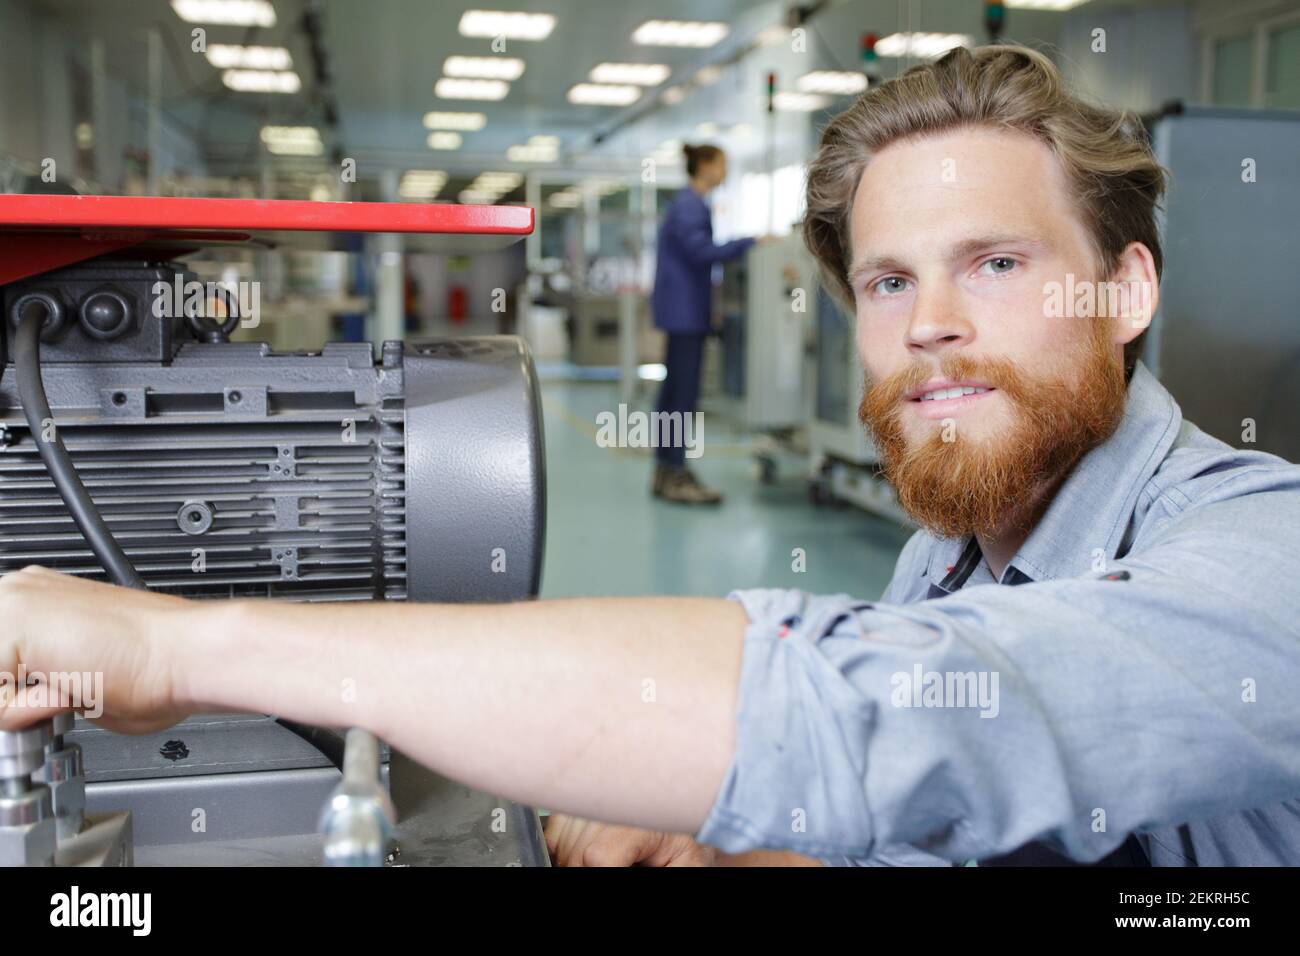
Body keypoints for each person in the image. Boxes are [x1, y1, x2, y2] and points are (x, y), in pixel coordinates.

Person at [4, 45, 1300, 868]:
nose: (930, 325)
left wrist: (174, 648)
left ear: (1127, 290)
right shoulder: (954, 550)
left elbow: (884, 713)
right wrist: (729, 843)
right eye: (889, 281)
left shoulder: (1262, 557)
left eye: (999, 265)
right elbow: (952, 811)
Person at [649, 143, 757, 505]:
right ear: (706, 166)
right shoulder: (689, 205)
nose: (725, 172)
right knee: (681, 396)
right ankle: (675, 472)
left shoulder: (689, 204)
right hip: (685, 313)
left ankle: (666, 469)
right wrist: (749, 242)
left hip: (683, 311)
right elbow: (701, 253)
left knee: (673, 393)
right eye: (723, 165)